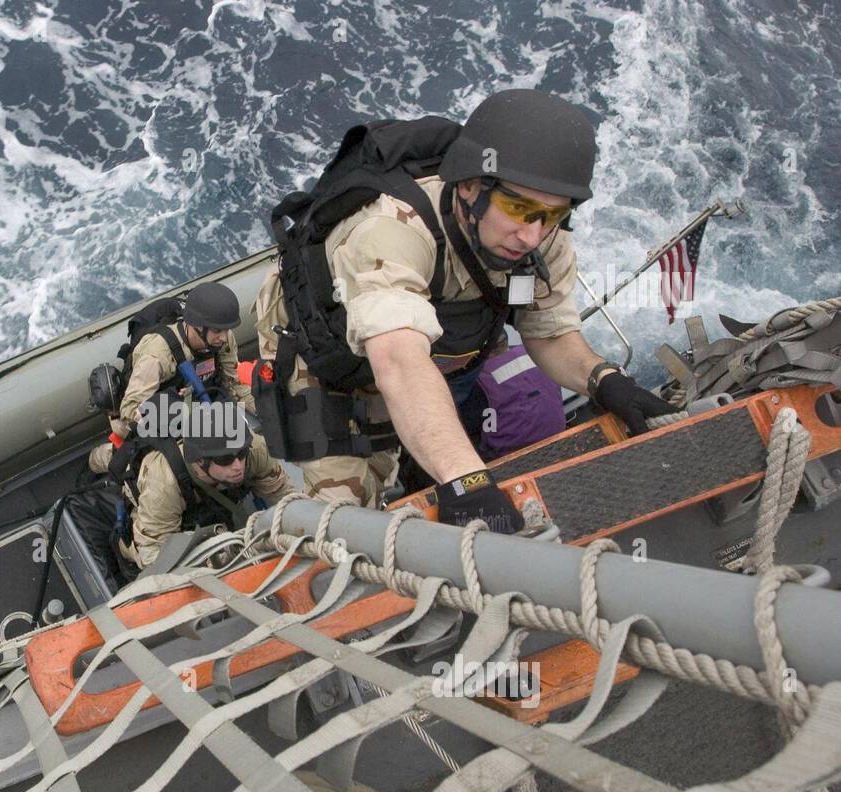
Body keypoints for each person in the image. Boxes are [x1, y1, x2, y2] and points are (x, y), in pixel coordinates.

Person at [253, 89, 678, 531]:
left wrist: (603, 380)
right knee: (347, 520)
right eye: (518, 207)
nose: (532, 235)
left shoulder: (539, 239)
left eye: (553, 215)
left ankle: (429, 459)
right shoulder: (390, 232)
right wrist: (465, 478)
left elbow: (547, 332)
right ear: (470, 186)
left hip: (439, 340)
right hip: (327, 352)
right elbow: (398, 362)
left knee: (449, 427)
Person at [89, 282, 256, 474]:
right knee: (155, 466)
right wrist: (175, 413)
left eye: (225, 330)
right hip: (160, 419)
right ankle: (99, 459)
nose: (225, 337)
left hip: (198, 408)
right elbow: (130, 410)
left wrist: (258, 411)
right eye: (218, 331)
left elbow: (232, 382)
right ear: (197, 326)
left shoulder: (221, 339)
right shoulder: (158, 354)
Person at [116, 403, 293, 572]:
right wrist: (206, 569)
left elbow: (284, 493)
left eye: (241, 454)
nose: (238, 465)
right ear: (200, 462)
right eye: (225, 460)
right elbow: (154, 555)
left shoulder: (251, 448)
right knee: (133, 553)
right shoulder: (163, 484)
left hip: (209, 500)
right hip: (156, 513)